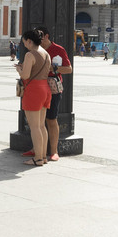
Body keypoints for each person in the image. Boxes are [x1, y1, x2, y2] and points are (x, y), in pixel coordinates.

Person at [16, 28, 53, 166]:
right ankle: (43, 156)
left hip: (34, 90)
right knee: (42, 126)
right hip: (45, 89)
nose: (24, 44)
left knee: (34, 127)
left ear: (29, 41)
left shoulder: (30, 55)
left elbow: (25, 75)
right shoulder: (46, 53)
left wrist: (19, 69)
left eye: (24, 41)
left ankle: (37, 158)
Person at [38, 29, 73, 162]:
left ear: (46, 36)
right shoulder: (35, 49)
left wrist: (53, 68)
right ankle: (37, 149)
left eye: (39, 36)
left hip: (52, 87)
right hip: (37, 87)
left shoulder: (58, 49)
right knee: (36, 121)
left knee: (51, 119)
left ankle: (54, 151)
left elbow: (69, 69)